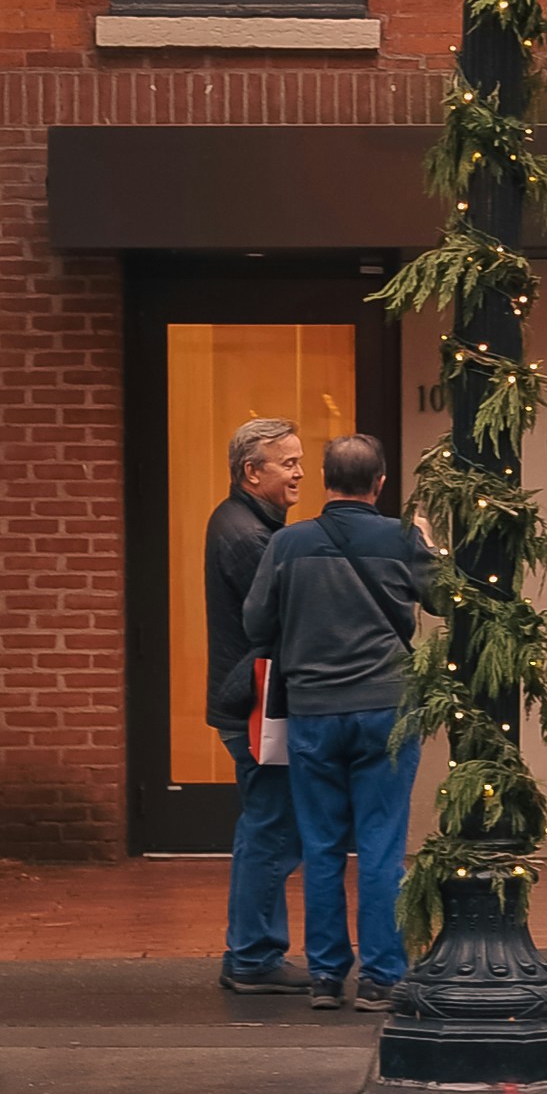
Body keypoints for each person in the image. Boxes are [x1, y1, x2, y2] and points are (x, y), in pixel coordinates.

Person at [243, 430, 438, 1011]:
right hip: (386, 709)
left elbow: (257, 623)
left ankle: (327, 977)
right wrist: (429, 544)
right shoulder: (400, 539)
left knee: (322, 845)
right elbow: (449, 600)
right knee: (381, 847)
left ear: (326, 480)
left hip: (312, 712)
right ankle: (381, 977)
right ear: (380, 483)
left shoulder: (289, 543)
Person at [203, 415, 307, 996]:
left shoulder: (246, 524)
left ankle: (254, 952)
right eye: (287, 463)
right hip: (256, 703)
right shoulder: (248, 537)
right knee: (273, 828)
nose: (299, 473)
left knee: (270, 824)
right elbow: (286, 613)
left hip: (252, 698)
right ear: (252, 471)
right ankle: (252, 956)